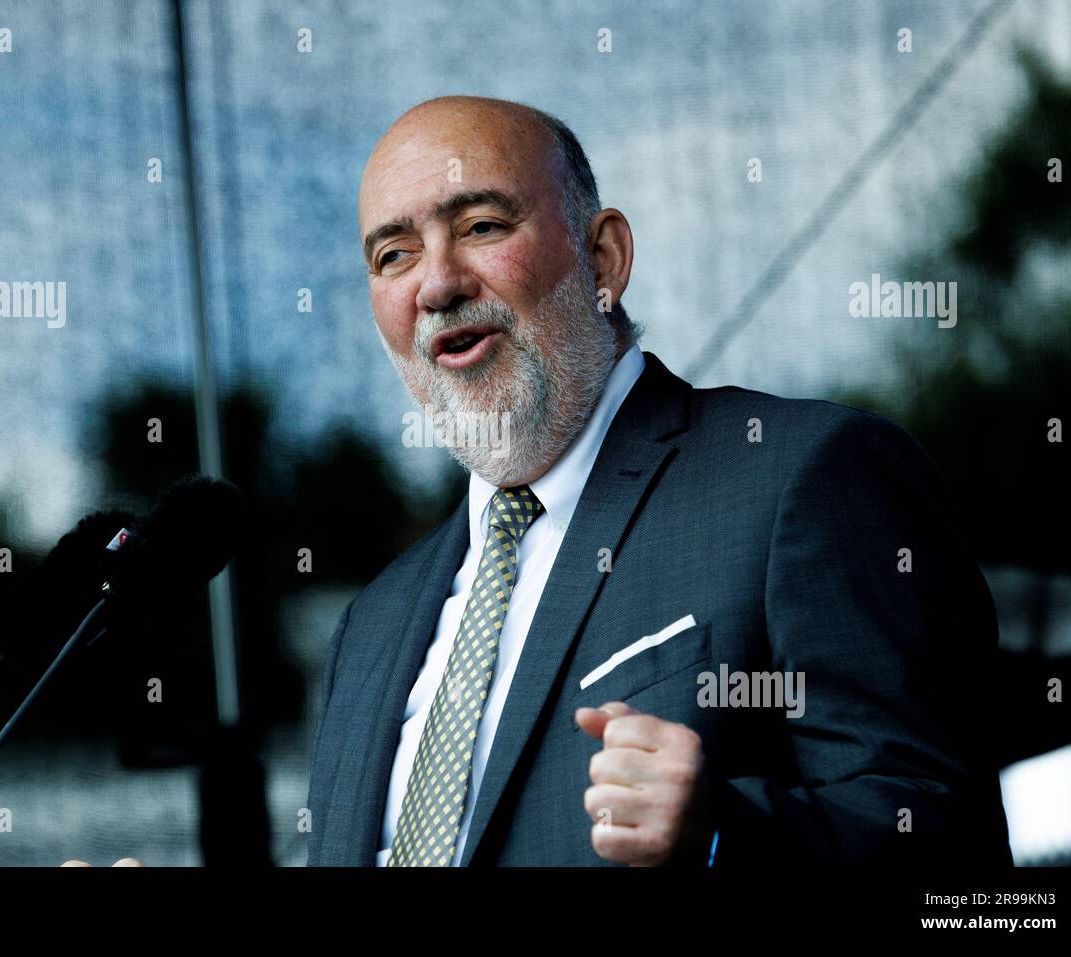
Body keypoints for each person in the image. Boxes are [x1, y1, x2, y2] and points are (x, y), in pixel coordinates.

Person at [308, 93, 1011, 868]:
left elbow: (959, 865)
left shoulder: (807, 477)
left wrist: (724, 833)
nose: (436, 285)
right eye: (394, 255)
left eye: (481, 227)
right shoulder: (369, 628)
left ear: (603, 258)